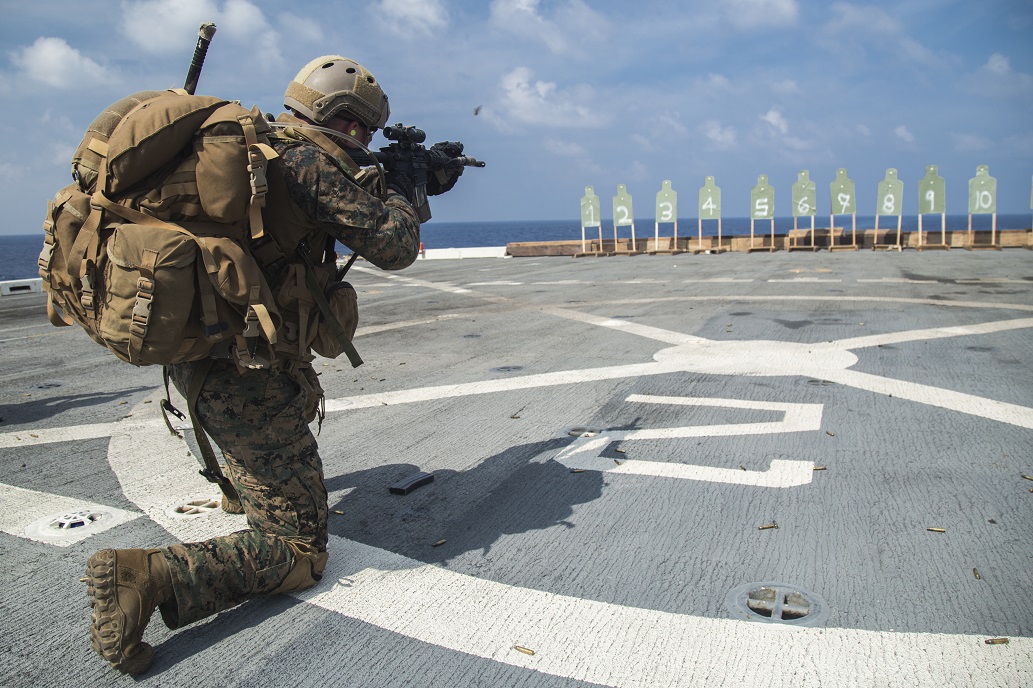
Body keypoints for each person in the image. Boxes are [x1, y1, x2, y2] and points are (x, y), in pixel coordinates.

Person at [84, 55, 458, 675]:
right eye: (362, 130)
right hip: (246, 375)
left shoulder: (262, 146)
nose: (364, 141)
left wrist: (389, 176)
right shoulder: (313, 161)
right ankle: (147, 576)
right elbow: (394, 245)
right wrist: (403, 187)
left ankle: (245, 482)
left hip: (206, 358)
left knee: (295, 394)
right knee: (300, 550)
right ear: (347, 120)